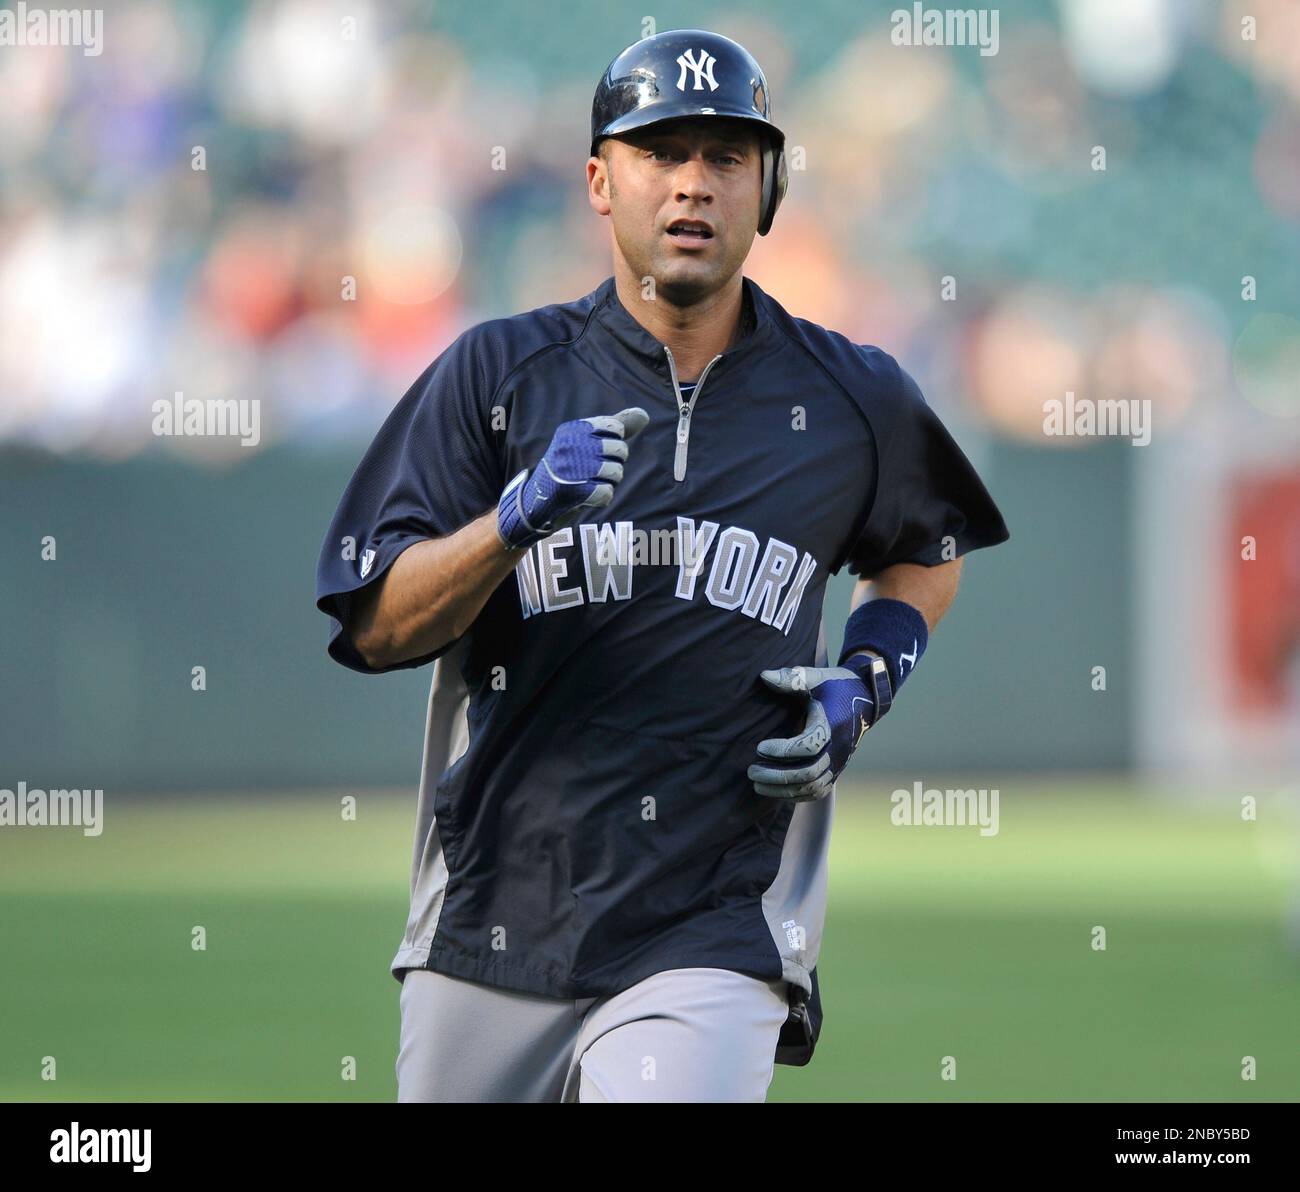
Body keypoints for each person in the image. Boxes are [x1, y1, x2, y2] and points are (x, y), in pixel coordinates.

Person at [315, 27, 1010, 1102]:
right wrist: (509, 523)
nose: (694, 184)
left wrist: (863, 683)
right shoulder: (496, 375)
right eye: (661, 152)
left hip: (711, 923)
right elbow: (375, 626)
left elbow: (928, 553)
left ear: (766, 186)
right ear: (600, 180)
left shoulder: (852, 396)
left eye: (726, 157)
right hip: (492, 913)